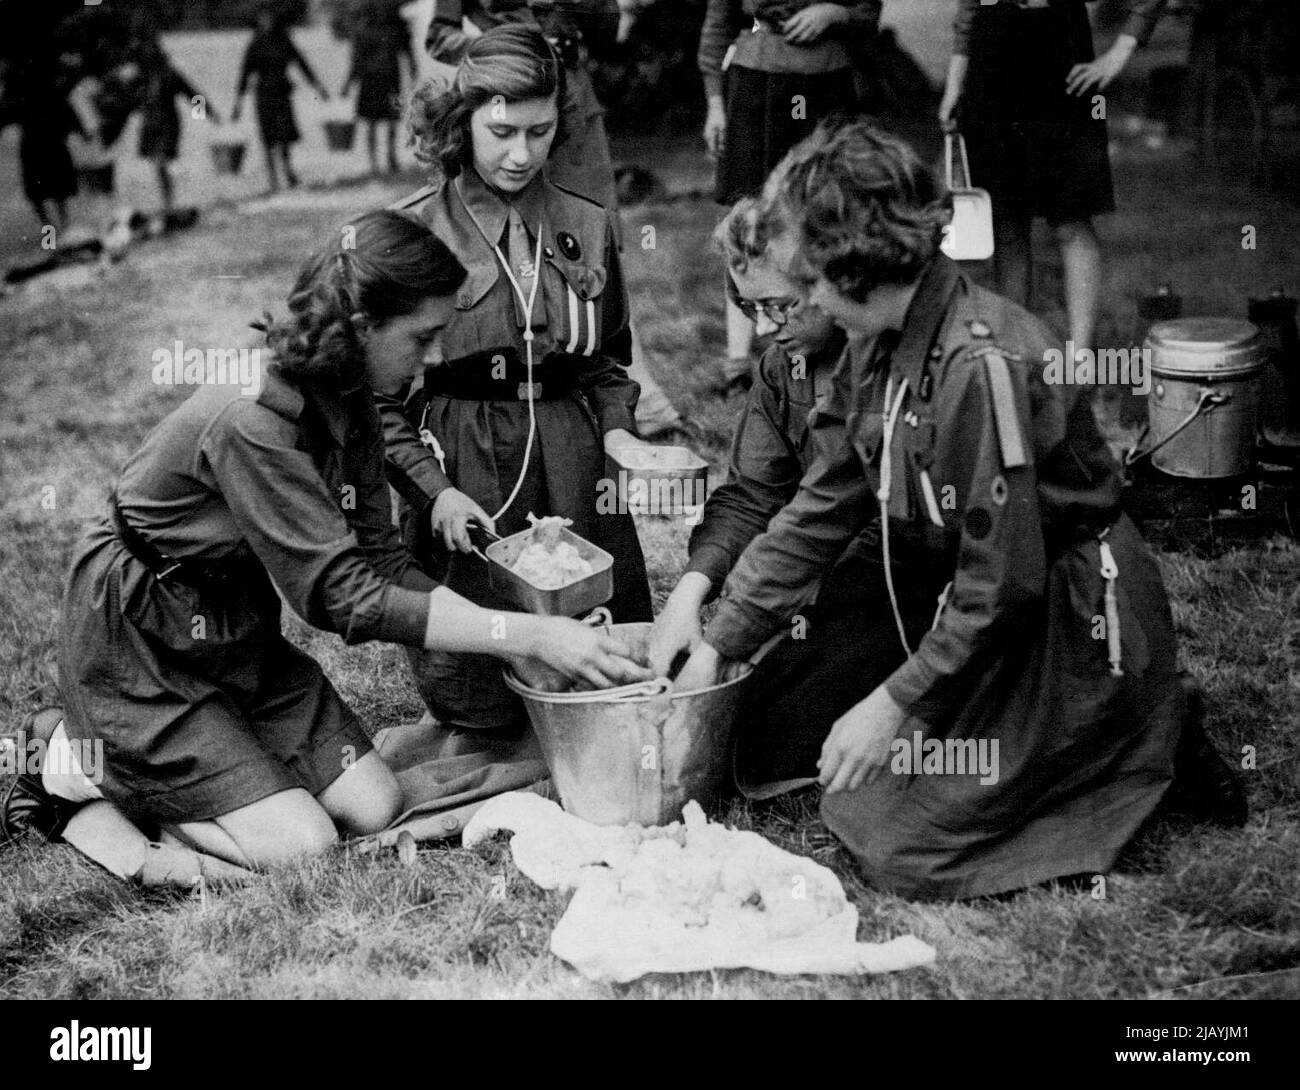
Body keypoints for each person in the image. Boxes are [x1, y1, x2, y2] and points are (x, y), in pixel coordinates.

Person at [675, 119, 1244, 900]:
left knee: (904, 849)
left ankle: (1138, 733)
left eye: (809, 284)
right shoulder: (877, 334)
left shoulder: (981, 366)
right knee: (848, 797)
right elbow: (823, 505)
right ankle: (1084, 734)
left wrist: (892, 703)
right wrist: (719, 640)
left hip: (1066, 606)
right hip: (988, 598)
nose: (799, 305)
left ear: (860, 268)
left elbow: (1001, 583)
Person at [3, 211, 648, 867]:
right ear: (364, 327)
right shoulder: (253, 417)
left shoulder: (353, 388)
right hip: (139, 641)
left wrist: (507, 633)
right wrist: (531, 634)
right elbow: (342, 601)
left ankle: (213, 765)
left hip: (230, 628)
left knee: (374, 805)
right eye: (421, 338)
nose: (428, 359)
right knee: (304, 847)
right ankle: (77, 766)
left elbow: (382, 562)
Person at [384, 24, 654, 741]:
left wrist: (620, 434)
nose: (520, 154)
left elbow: (608, 360)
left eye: (540, 132)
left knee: (604, 678)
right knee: (481, 711)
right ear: (460, 120)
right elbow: (375, 405)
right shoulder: (414, 231)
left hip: (573, 461)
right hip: (465, 464)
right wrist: (432, 490)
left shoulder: (585, 224)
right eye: (501, 131)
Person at [648, 199, 894, 793]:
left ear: (826, 281)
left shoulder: (877, 362)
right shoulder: (784, 367)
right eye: (748, 307)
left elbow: (835, 516)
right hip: (812, 568)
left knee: (762, 738)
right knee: (739, 718)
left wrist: (739, 628)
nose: (762, 329)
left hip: (892, 580)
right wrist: (690, 591)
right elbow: (750, 495)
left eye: (779, 306)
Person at [937, 0, 1168, 354]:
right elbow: (970, 8)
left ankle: (1081, 363)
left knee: (1071, 221)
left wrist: (1122, 49)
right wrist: (955, 82)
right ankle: (1016, 357)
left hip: (1059, 59)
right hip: (990, 67)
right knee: (1007, 226)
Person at [699, 0, 880, 388]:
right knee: (745, 217)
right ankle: (738, 360)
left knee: (827, 210)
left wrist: (836, 13)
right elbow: (718, 24)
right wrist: (715, 103)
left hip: (825, 83)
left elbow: (867, 12)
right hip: (755, 85)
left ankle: (833, 344)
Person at [232, 4, 330, 192]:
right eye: (263, 19)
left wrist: (318, 86)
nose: (267, 22)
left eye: (269, 18)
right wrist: (238, 102)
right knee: (268, 138)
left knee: (284, 136)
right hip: (263, 95)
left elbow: (302, 64)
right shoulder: (255, 44)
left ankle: (288, 172)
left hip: (282, 93)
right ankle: (273, 178)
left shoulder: (283, 41)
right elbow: (245, 74)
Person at [132, 28, 219, 217]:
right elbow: (130, 102)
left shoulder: (169, 74)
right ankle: (166, 202)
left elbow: (191, 94)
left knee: (161, 163)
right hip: (150, 125)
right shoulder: (142, 78)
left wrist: (207, 115)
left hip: (167, 124)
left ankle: (169, 203)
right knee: (157, 165)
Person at [340, 0, 415, 175]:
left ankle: (389, 158)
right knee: (373, 122)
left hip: (388, 78)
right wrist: (348, 84)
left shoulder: (395, 28)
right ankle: (376, 162)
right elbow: (356, 61)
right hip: (372, 80)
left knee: (389, 121)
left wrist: (413, 69)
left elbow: (408, 52)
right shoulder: (366, 30)